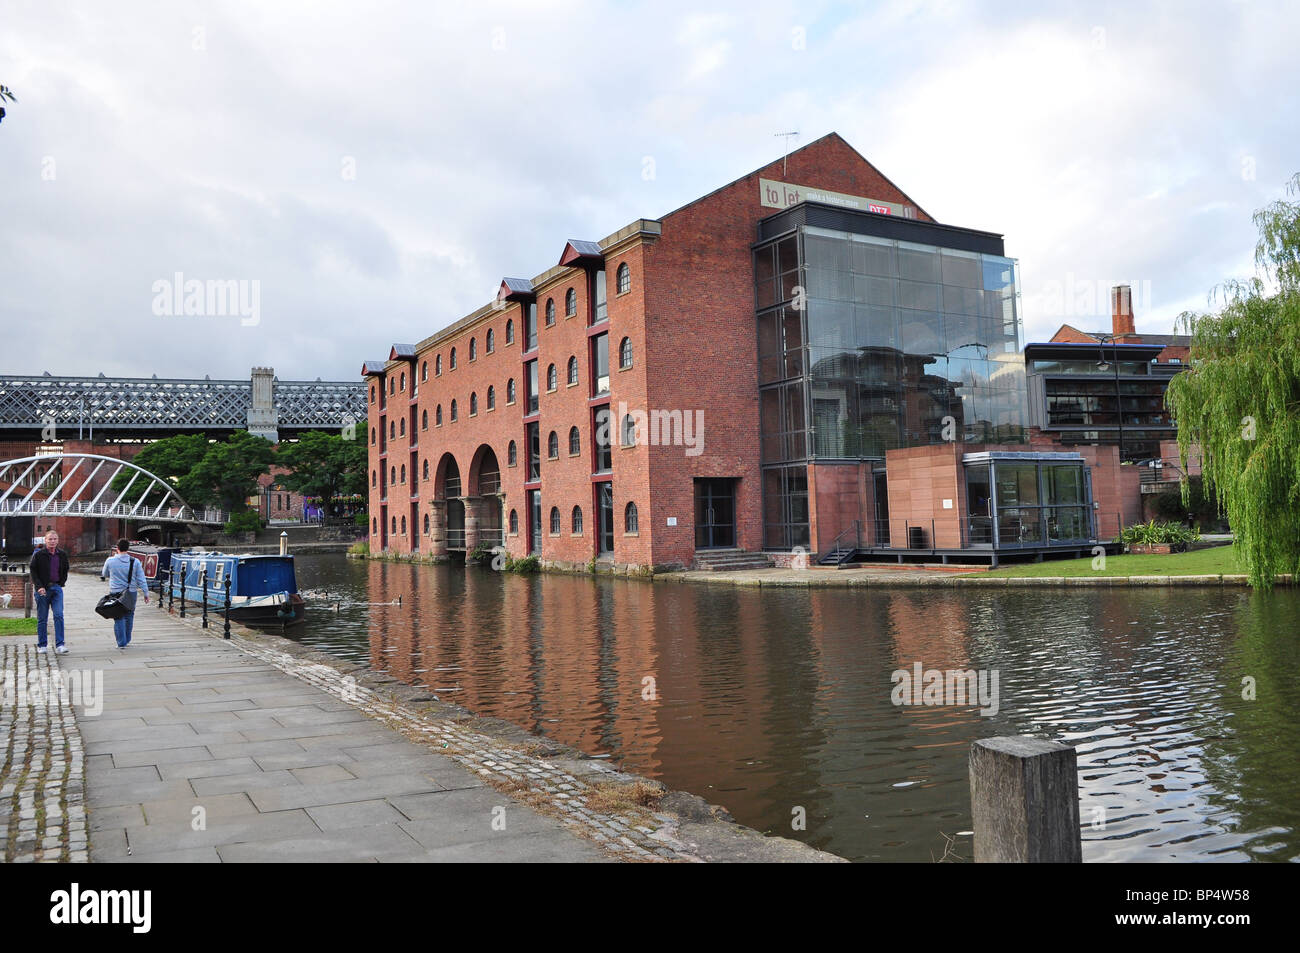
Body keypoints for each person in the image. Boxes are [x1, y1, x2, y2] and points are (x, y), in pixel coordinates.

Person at [100, 538, 150, 651]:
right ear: (128, 549)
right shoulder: (135, 562)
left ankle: (121, 642)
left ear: (117, 548)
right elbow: (141, 579)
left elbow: (104, 574)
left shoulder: (110, 561)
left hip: (115, 593)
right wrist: (146, 593)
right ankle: (127, 639)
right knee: (129, 615)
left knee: (118, 616)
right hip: (131, 592)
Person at [30, 530, 69, 655]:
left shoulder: (62, 554)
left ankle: (60, 644)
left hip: (56, 588)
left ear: (58, 540)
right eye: (50, 539)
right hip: (43, 590)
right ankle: (42, 645)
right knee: (42, 618)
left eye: (55, 539)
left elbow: (66, 569)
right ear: (45, 541)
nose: (52, 541)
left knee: (59, 615)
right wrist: (39, 586)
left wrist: (61, 583)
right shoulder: (39, 555)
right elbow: (33, 571)